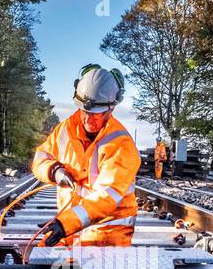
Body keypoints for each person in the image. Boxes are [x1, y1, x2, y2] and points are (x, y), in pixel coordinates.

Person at [30, 64, 141, 247]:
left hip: (106, 230)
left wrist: (65, 223)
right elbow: (41, 157)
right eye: (85, 111)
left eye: (96, 114)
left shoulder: (121, 144)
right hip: (71, 225)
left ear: (111, 108)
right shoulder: (65, 129)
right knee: (45, 259)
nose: (89, 119)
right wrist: (54, 171)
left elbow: (106, 197)